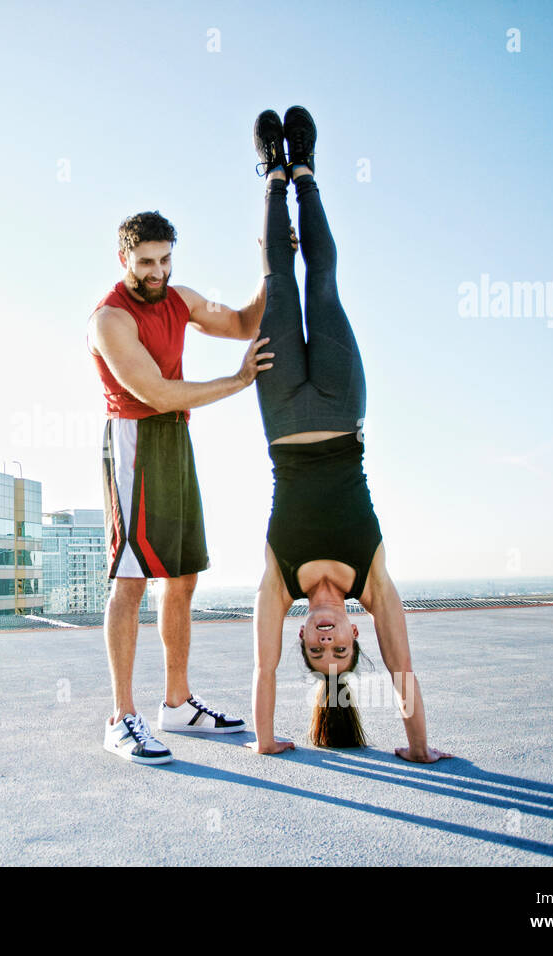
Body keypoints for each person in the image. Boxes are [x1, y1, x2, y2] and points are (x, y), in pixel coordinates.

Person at [246, 106, 452, 763]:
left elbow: (261, 673)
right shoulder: (374, 580)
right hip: (339, 405)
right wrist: (417, 748)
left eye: (315, 649)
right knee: (324, 282)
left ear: (300, 632)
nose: (327, 641)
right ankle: (304, 170)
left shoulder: (277, 585)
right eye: (340, 650)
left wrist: (265, 738)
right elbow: (403, 668)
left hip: (280, 416)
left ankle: (272, 178)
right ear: (356, 633)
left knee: (281, 282)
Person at [86, 209, 296, 764]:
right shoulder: (109, 320)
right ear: (124, 258)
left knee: (182, 577)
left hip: (176, 439)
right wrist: (238, 380)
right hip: (135, 439)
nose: (157, 271)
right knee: (132, 579)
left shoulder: (180, 299)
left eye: (165, 259)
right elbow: (157, 394)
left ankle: (177, 705)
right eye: (146, 262)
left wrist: (271, 265)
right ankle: (121, 717)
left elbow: (246, 322)